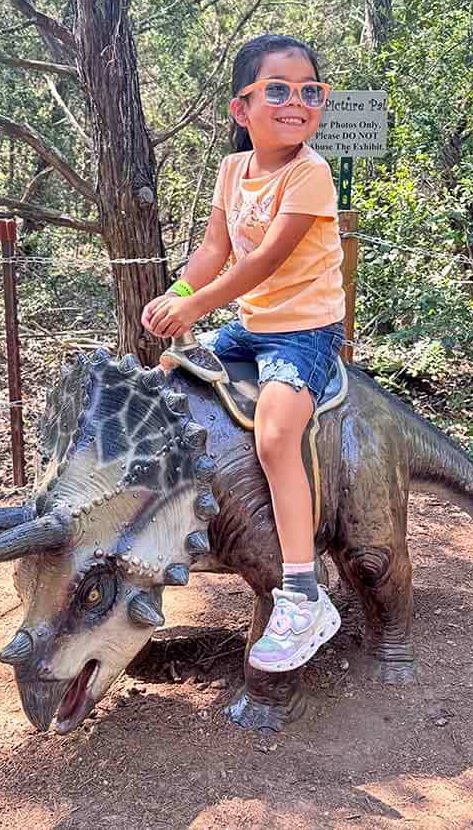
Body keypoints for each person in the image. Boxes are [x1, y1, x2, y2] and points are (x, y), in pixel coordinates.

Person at [142, 33, 346, 673]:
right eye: (279, 90)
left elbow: (264, 260)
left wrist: (197, 308)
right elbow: (214, 250)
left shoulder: (310, 171)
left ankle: (304, 592)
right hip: (251, 327)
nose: (297, 102)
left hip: (304, 330)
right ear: (242, 108)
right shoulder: (234, 171)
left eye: (310, 91)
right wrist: (177, 290)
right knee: (166, 376)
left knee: (276, 436)